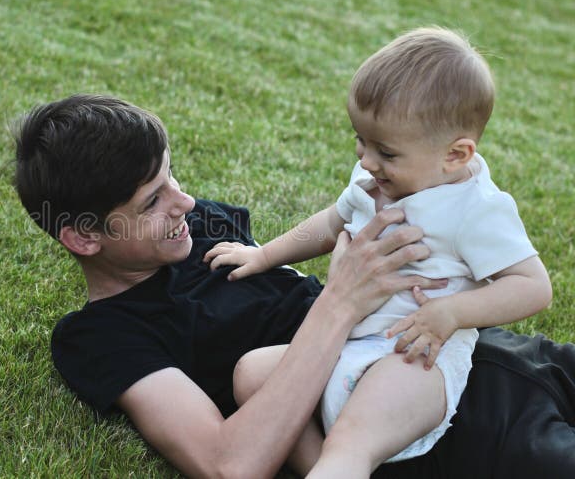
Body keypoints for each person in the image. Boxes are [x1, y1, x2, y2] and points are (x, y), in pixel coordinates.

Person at [13, 93, 575, 478]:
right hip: (436, 424)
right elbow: (228, 465)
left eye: (171, 176)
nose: (185, 201)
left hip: (493, 350)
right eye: (152, 201)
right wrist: (340, 301)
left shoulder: (198, 226)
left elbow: (325, 230)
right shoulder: (103, 336)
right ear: (84, 237)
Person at [204, 27, 552, 477]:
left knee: (351, 442)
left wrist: (451, 313)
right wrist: (265, 255)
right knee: (251, 374)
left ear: (455, 154)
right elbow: (332, 223)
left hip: (413, 359)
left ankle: (341, 463)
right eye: (361, 140)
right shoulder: (374, 178)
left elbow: (532, 286)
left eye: (385, 151)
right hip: (347, 346)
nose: (366, 160)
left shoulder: (476, 209)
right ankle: (322, 466)